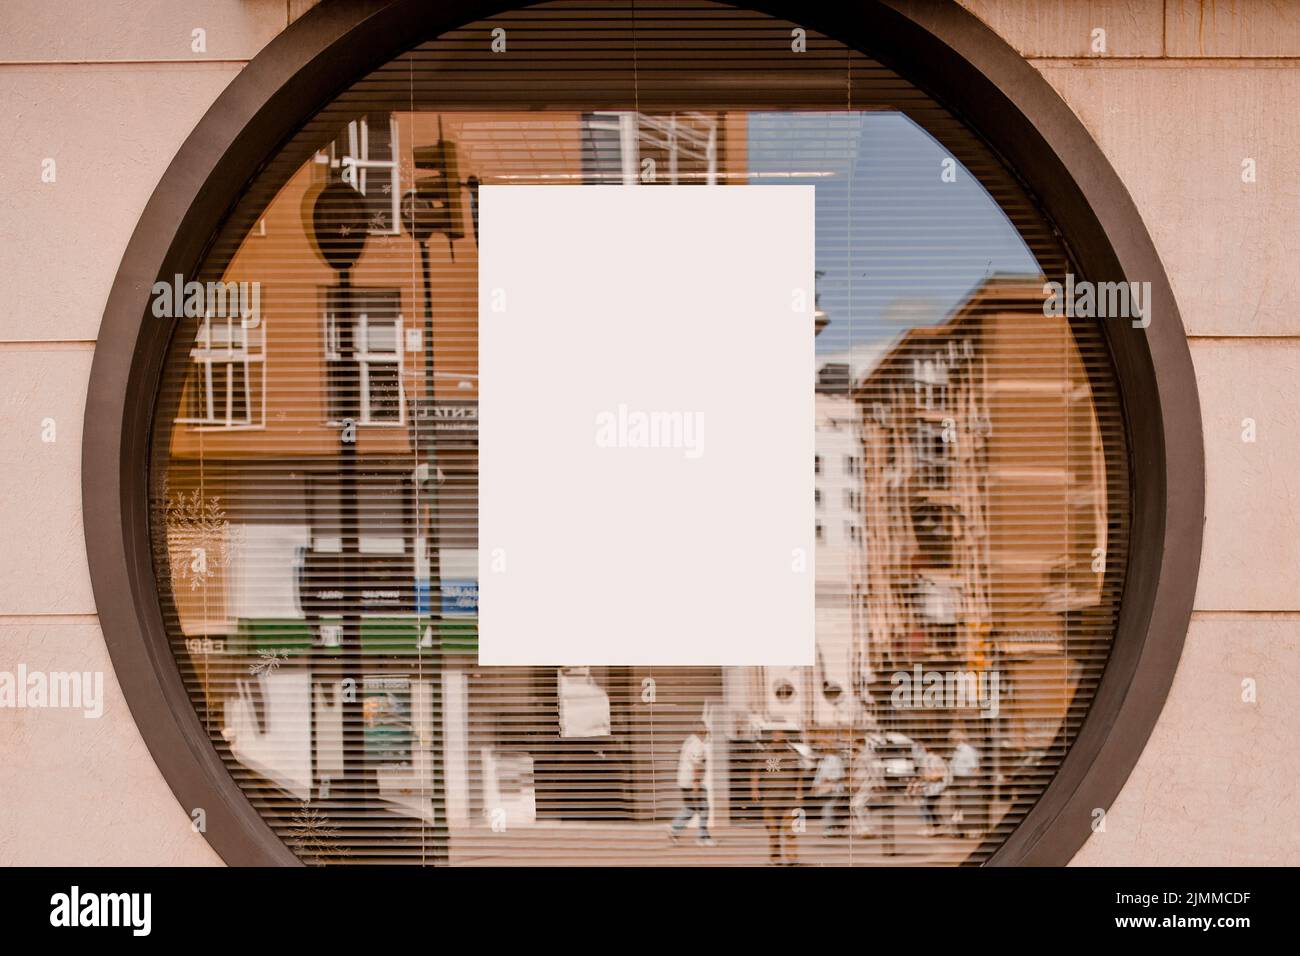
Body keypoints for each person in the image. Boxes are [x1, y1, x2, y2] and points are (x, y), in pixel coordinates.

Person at [751, 727, 804, 865]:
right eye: (776, 737)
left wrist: (799, 792)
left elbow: (799, 774)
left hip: (789, 801)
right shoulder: (764, 754)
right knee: (773, 833)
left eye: (781, 738)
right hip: (769, 801)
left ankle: (792, 859)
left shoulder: (793, 754)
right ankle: (775, 859)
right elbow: (755, 772)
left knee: (790, 832)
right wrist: (754, 789)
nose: (778, 740)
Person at [668, 721, 715, 846]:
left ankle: (674, 829)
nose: (707, 733)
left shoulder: (689, 740)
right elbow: (696, 765)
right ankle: (703, 837)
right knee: (704, 808)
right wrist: (696, 784)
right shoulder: (697, 744)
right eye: (706, 731)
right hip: (692, 782)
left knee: (690, 808)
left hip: (684, 781)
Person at [909, 739, 951, 836]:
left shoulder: (936, 759)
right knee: (927, 807)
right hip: (928, 787)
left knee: (928, 807)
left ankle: (935, 827)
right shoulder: (926, 759)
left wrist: (928, 777)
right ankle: (935, 827)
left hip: (935, 787)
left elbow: (941, 774)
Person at [947, 724, 982, 837]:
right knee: (959, 807)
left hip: (967, 780)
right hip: (958, 781)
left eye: (951, 739)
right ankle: (961, 830)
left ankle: (972, 831)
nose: (950, 741)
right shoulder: (957, 751)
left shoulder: (967, 750)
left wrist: (974, 780)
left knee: (968, 807)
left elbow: (975, 767)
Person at [811, 742, 848, 835]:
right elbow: (818, 776)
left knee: (827, 809)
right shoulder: (821, 762)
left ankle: (829, 830)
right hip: (824, 790)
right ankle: (839, 826)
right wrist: (814, 786)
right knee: (829, 809)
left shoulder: (835, 759)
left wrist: (828, 779)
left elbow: (841, 774)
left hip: (835, 789)